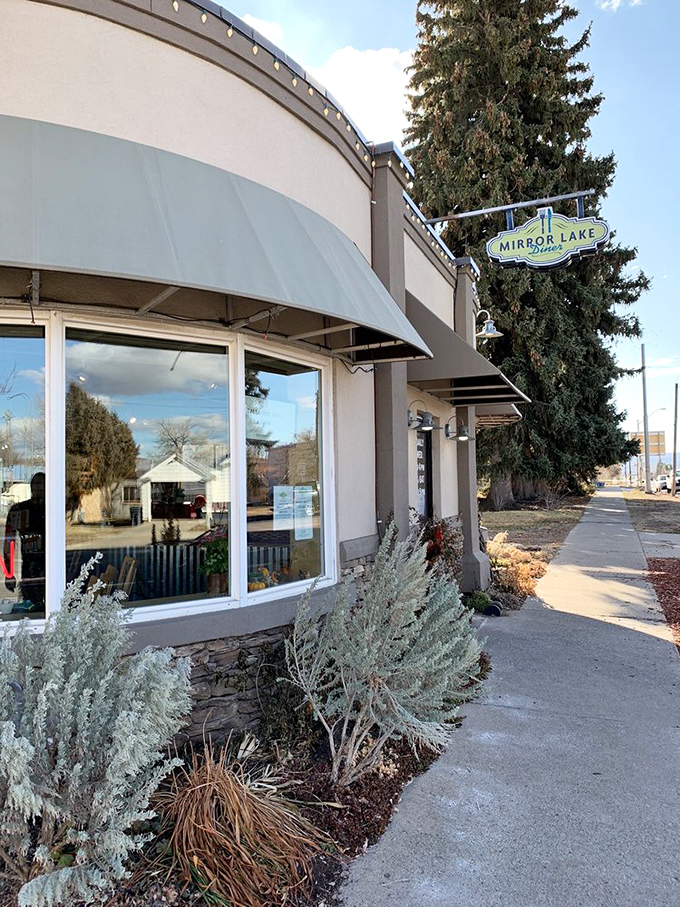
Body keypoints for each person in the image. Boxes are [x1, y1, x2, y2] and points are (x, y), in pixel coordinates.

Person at [3, 471, 46, 609]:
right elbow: (9, 542)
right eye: (36, 485)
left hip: (50, 567)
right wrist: (9, 573)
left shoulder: (53, 509)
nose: (39, 489)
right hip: (29, 568)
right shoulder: (20, 510)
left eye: (42, 485)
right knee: (31, 608)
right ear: (31, 487)